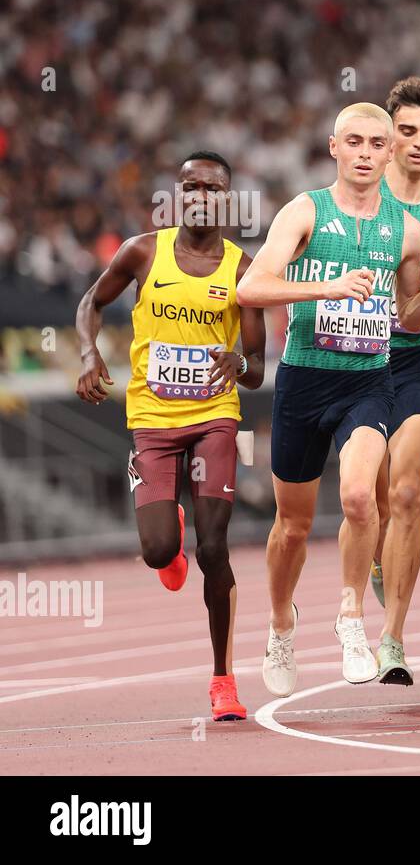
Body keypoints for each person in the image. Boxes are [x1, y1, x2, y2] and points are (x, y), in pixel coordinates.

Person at [237, 103, 420, 695]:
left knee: (363, 497)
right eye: (353, 141)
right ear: (333, 147)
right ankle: (282, 623)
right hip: (305, 381)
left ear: (389, 154)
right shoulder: (304, 210)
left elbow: (412, 324)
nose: (365, 152)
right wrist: (327, 286)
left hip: (368, 379)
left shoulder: (407, 230)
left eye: (375, 144)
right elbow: (250, 286)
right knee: (292, 523)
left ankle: (351, 617)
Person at [76, 151, 266, 720]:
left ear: (228, 199)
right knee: (160, 549)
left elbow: (256, 367)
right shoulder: (142, 251)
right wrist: (88, 350)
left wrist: (239, 364)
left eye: (215, 188)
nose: (203, 195)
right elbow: (92, 302)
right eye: (193, 186)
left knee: (215, 547)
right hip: (153, 419)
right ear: (177, 195)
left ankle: (223, 681)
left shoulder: (243, 269)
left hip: (214, 416)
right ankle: (168, 523)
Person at [364, 77, 420, 684]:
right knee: (371, 499)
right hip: (358, 358)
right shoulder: (357, 196)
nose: (417, 144)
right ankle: (377, 560)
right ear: (388, 135)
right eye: (407, 132)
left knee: (405, 492)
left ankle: (393, 638)